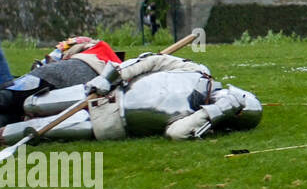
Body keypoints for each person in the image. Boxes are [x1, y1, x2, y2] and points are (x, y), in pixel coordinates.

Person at [1, 52, 261, 144]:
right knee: (30, 103)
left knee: (33, 128)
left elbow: (176, 134)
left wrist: (211, 113)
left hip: (108, 122)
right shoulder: (197, 72)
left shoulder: (197, 120)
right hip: (103, 91)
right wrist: (110, 77)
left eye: (233, 110)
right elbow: (151, 61)